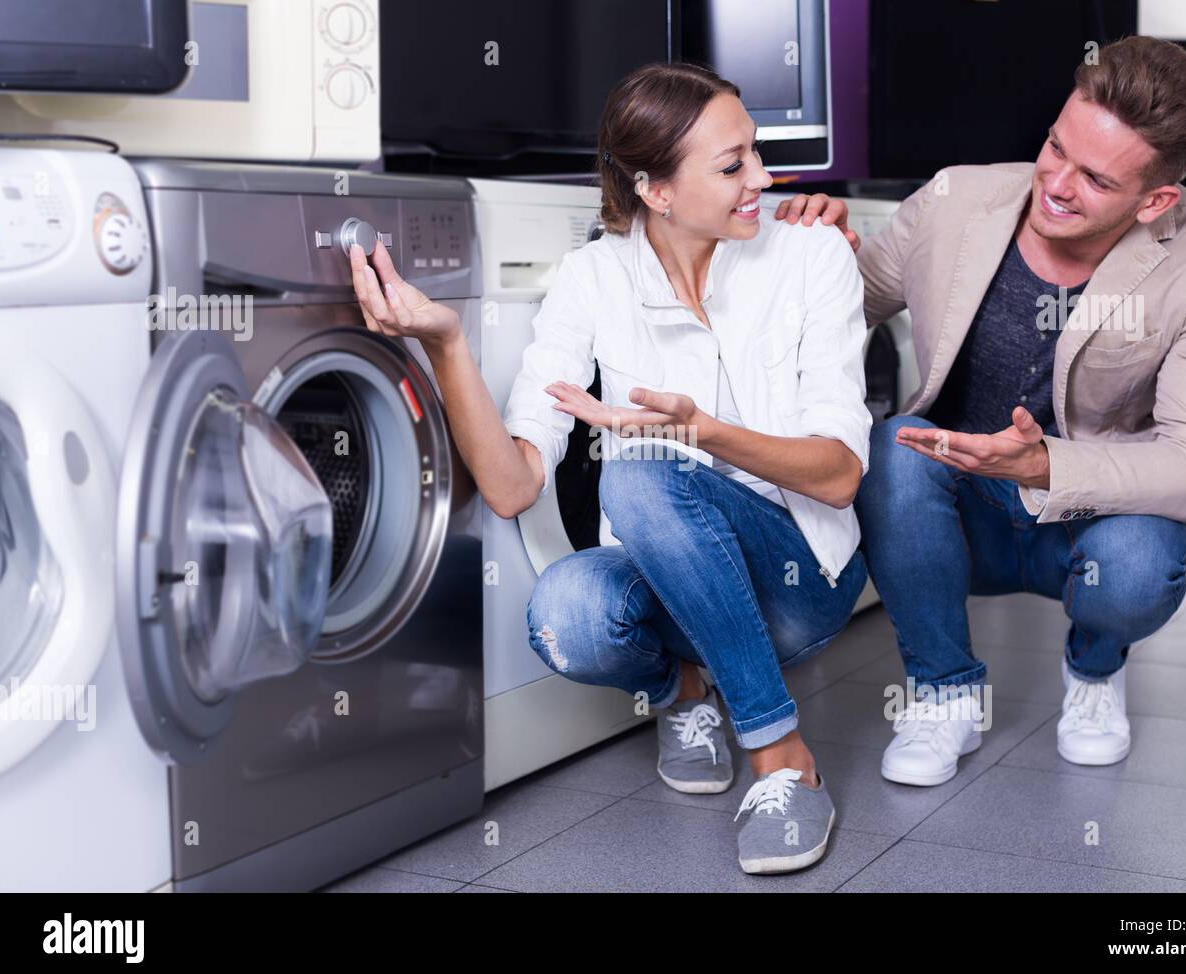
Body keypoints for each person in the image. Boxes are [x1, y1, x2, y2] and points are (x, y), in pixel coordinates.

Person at [350, 62, 872, 873]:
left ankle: (782, 754)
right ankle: (683, 693)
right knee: (568, 613)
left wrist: (701, 430)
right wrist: (445, 342)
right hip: (670, 573)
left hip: (802, 578)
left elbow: (839, 477)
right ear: (656, 190)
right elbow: (515, 484)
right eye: (732, 166)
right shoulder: (595, 277)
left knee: (637, 474)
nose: (762, 181)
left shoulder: (811, 255)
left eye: (755, 154)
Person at [775, 35, 1186, 786]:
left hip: (1093, 520)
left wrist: (1043, 464)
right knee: (897, 447)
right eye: (1055, 146)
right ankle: (943, 692)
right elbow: (840, 313)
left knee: (1140, 569)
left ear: (1155, 200)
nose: (1057, 184)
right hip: (956, 509)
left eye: (1096, 179)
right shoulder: (956, 198)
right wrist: (817, 258)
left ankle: (1095, 669)